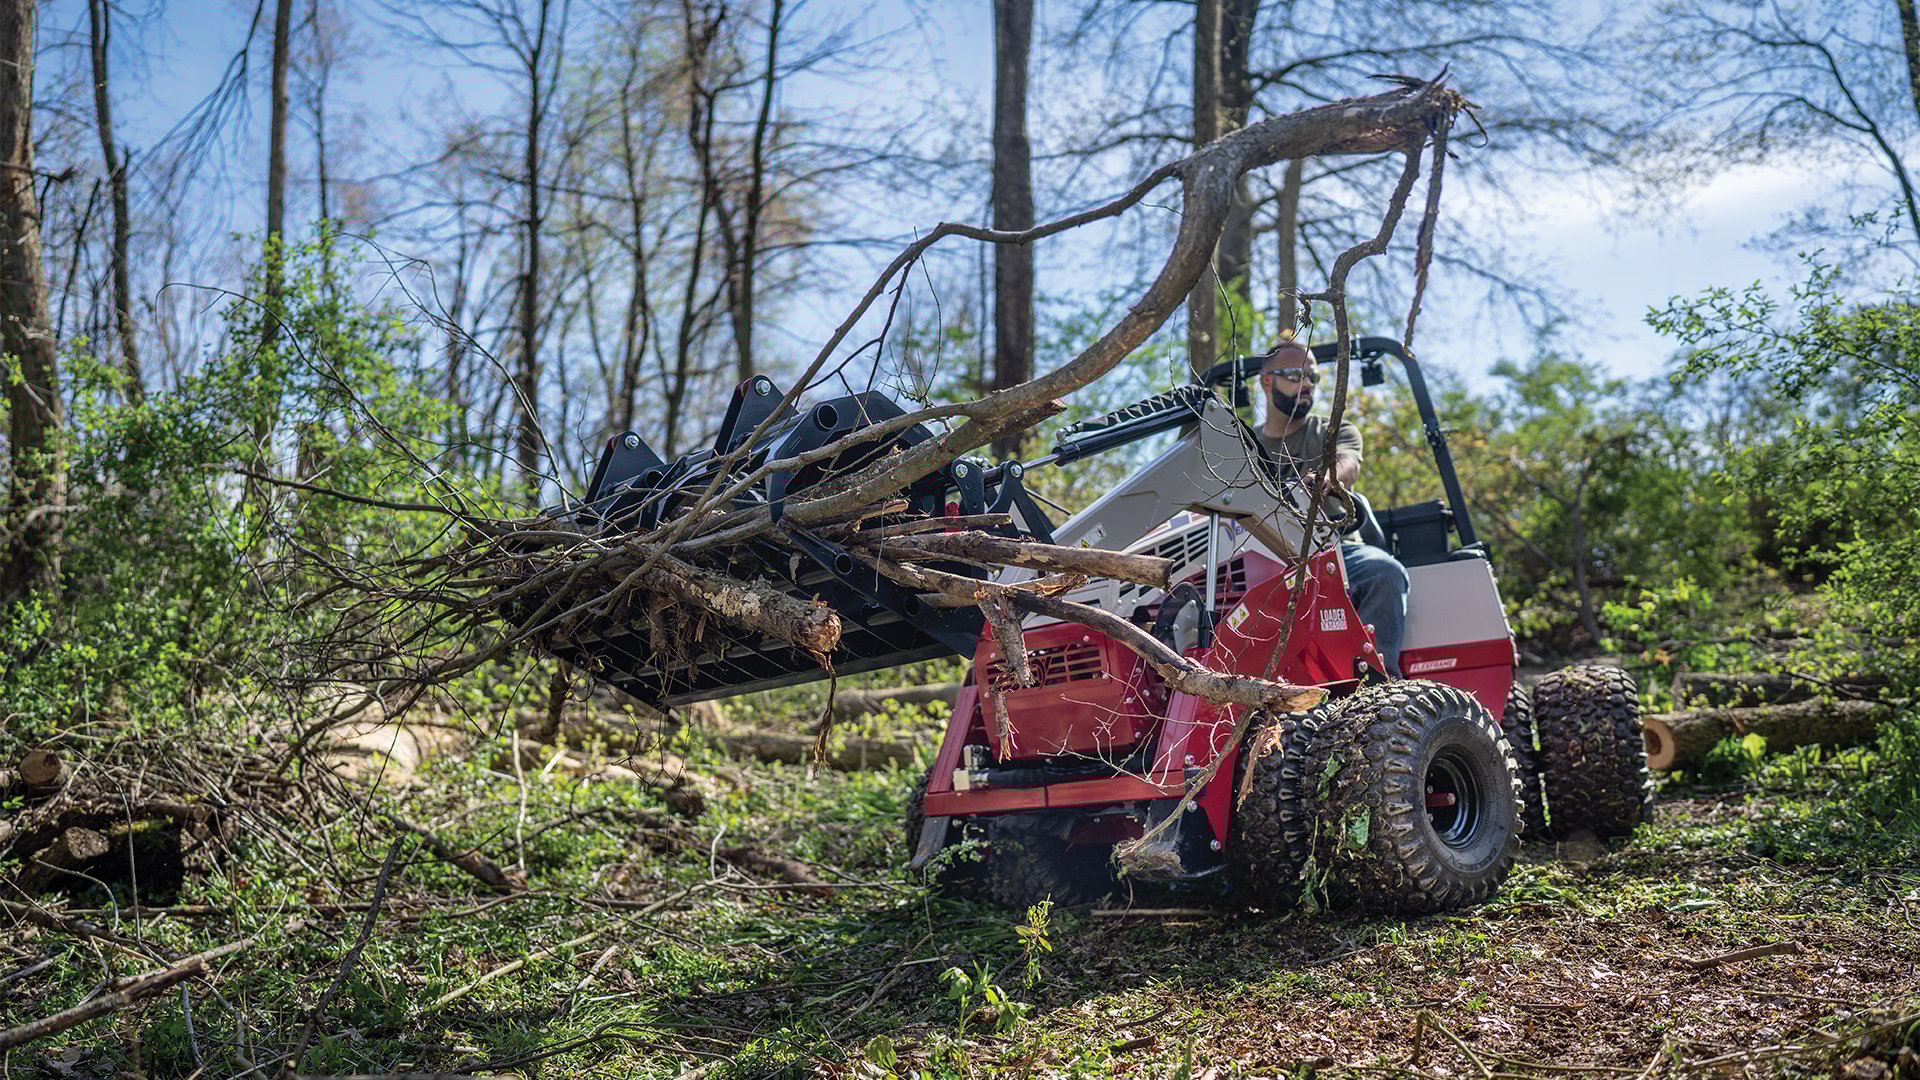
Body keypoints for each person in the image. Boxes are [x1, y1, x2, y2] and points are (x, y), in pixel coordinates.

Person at [1249, 338, 1410, 678]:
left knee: (1384, 572)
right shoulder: (1244, 447)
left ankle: (1379, 688)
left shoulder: (1332, 430)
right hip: (1265, 561)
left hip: (1334, 552)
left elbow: (1347, 463)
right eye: (1296, 375)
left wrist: (1328, 476)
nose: (1307, 384)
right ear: (1268, 382)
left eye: (1313, 376)